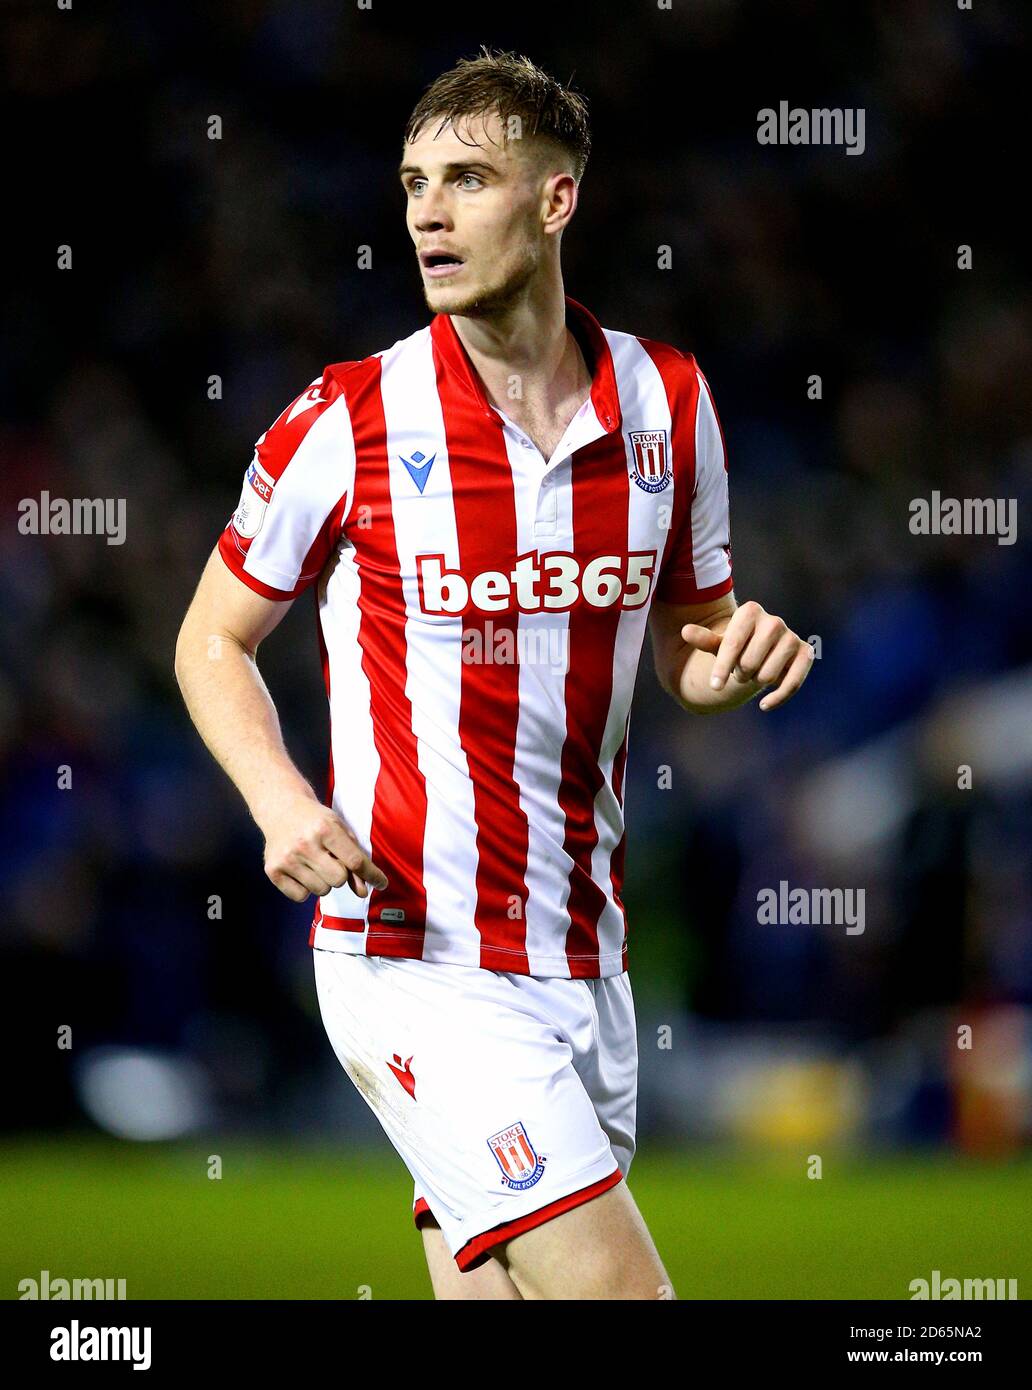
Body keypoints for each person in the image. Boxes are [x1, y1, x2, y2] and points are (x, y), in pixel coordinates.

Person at [174, 47, 814, 1300]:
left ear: (556, 199)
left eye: (467, 178)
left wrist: (740, 652)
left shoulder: (669, 405)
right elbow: (211, 638)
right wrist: (281, 801)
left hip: (587, 956)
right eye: (414, 181)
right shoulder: (347, 420)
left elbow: (690, 639)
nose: (426, 210)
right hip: (413, 956)